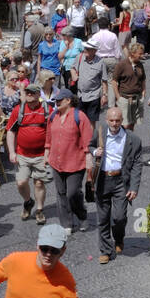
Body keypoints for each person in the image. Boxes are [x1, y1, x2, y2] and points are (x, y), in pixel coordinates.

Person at [89, 107, 143, 264]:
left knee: (119, 217)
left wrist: (134, 187)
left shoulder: (132, 139)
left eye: (117, 120)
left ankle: (119, 238)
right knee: (103, 218)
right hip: (103, 180)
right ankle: (105, 250)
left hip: (121, 181)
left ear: (122, 121)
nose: (114, 123)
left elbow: (137, 164)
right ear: (106, 120)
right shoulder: (99, 132)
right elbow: (89, 145)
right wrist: (94, 152)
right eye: (111, 120)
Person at [46, 88, 93, 235]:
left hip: (75, 162)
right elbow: (48, 137)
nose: (57, 103)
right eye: (56, 101)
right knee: (61, 193)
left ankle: (81, 215)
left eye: (60, 100)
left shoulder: (80, 116)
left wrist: (89, 157)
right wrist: (46, 154)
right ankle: (66, 223)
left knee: (72, 193)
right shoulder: (53, 116)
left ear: (69, 100)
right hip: (56, 161)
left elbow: (88, 140)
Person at [7, 83, 51, 226]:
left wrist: (49, 152)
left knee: (39, 183)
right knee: (21, 182)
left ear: (39, 95)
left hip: (40, 154)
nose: (29, 95)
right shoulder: (18, 110)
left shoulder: (47, 110)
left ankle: (39, 210)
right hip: (22, 154)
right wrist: (12, 152)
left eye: (33, 93)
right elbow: (10, 131)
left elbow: (53, 132)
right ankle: (28, 201)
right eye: (27, 92)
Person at [110, 42, 146, 132]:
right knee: (124, 125)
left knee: (132, 124)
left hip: (136, 98)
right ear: (132, 53)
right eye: (140, 54)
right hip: (124, 98)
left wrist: (143, 93)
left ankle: (130, 143)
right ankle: (121, 143)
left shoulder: (140, 65)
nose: (142, 55)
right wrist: (118, 97)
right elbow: (114, 81)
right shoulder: (122, 65)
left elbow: (143, 80)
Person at [76, 40, 109, 128]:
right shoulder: (79, 57)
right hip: (81, 95)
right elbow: (72, 68)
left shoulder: (100, 62)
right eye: (85, 48)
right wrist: (73, 75)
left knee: (91, 121)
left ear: (94, 51)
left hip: (93, 96)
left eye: (88, 49)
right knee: (80, 120)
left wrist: (105, 95)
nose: (85, 50)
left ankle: (91, 140)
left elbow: (104, 80)